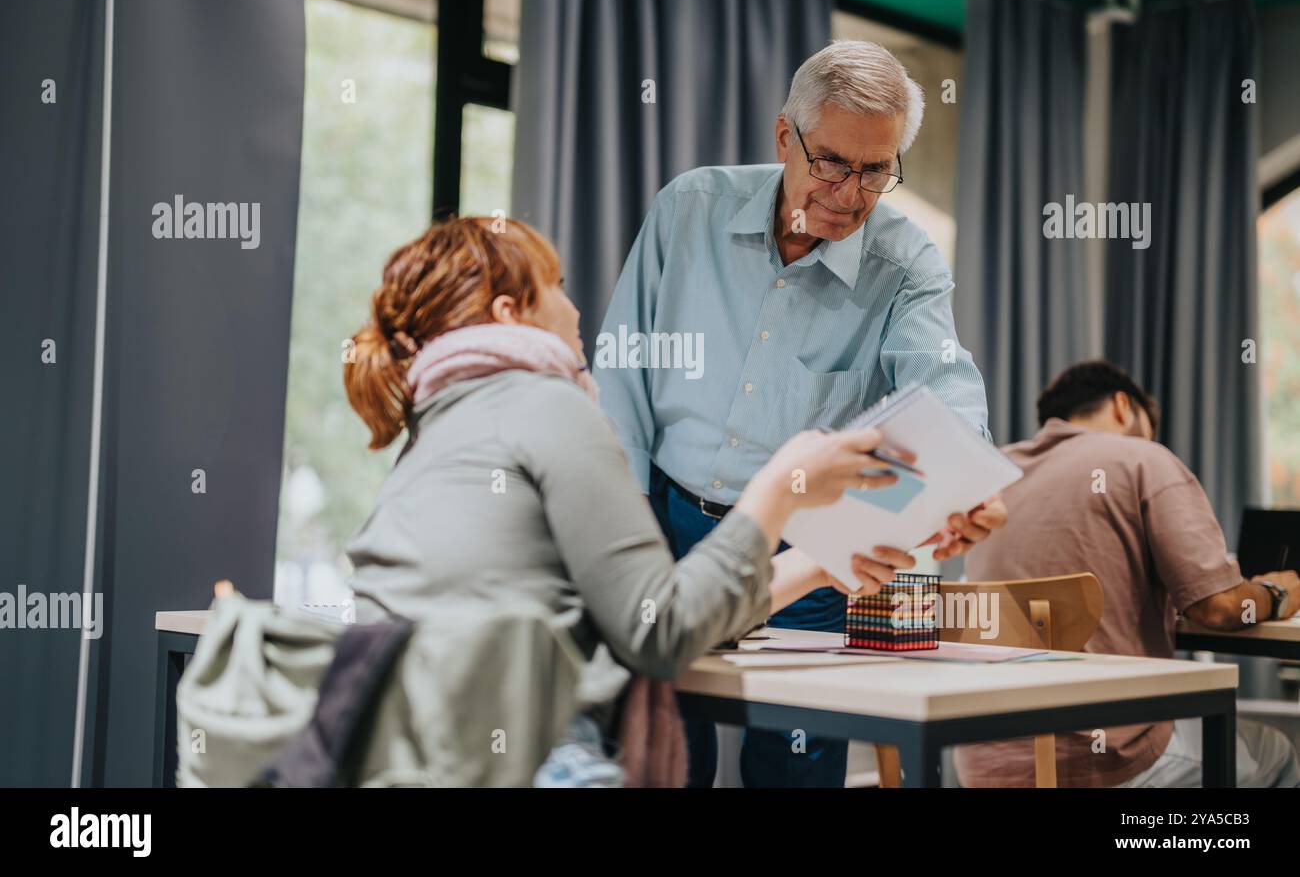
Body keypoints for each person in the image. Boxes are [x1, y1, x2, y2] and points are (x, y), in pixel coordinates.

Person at [341, 216, 920, 787]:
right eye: (558, 286)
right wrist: (779, 487)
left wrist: (811, 565)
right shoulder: (547, 403)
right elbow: (658, 632)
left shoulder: (431, 437)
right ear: (510, 314)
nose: (575, 310)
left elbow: (634, 612)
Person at [596, 39, 1007, 787]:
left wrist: (964, 479)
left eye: (875, 170)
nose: (850, 194)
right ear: (786, 135)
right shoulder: (688, 211)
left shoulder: (906, 263)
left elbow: (943, 383)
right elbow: (621, 380)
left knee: (792, 773)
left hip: (803, 551)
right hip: (666, 525)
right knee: (657, 761)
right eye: (833, 163)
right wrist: (618, 539)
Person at [955, 360, 1300, 787]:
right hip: (1105, 758)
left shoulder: (995, 479)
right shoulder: (1143, 459)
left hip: (978, 757)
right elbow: (1221, 607)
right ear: (1123, 406)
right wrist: (1277, 591)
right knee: (1277, 754)